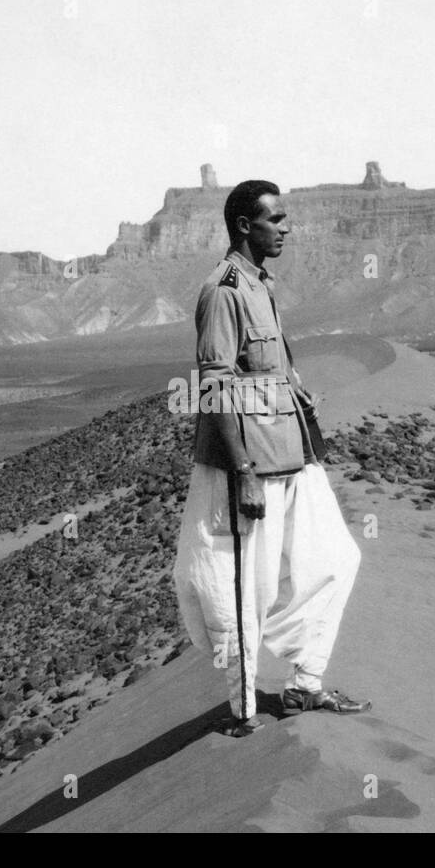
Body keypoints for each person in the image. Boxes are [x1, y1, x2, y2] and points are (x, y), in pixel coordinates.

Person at [172, 179, 369, 738]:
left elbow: (266, 368)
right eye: (275, 219)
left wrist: (294, 385)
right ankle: (243, 714)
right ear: (244, 226)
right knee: (244, 588)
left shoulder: (261, 284)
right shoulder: (224, 290)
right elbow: (215, 386)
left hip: (292, 452)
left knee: (336, 559)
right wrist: (244, 473)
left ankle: (305, 682)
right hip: (249, 466)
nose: (286, 228)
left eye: (284, 219)